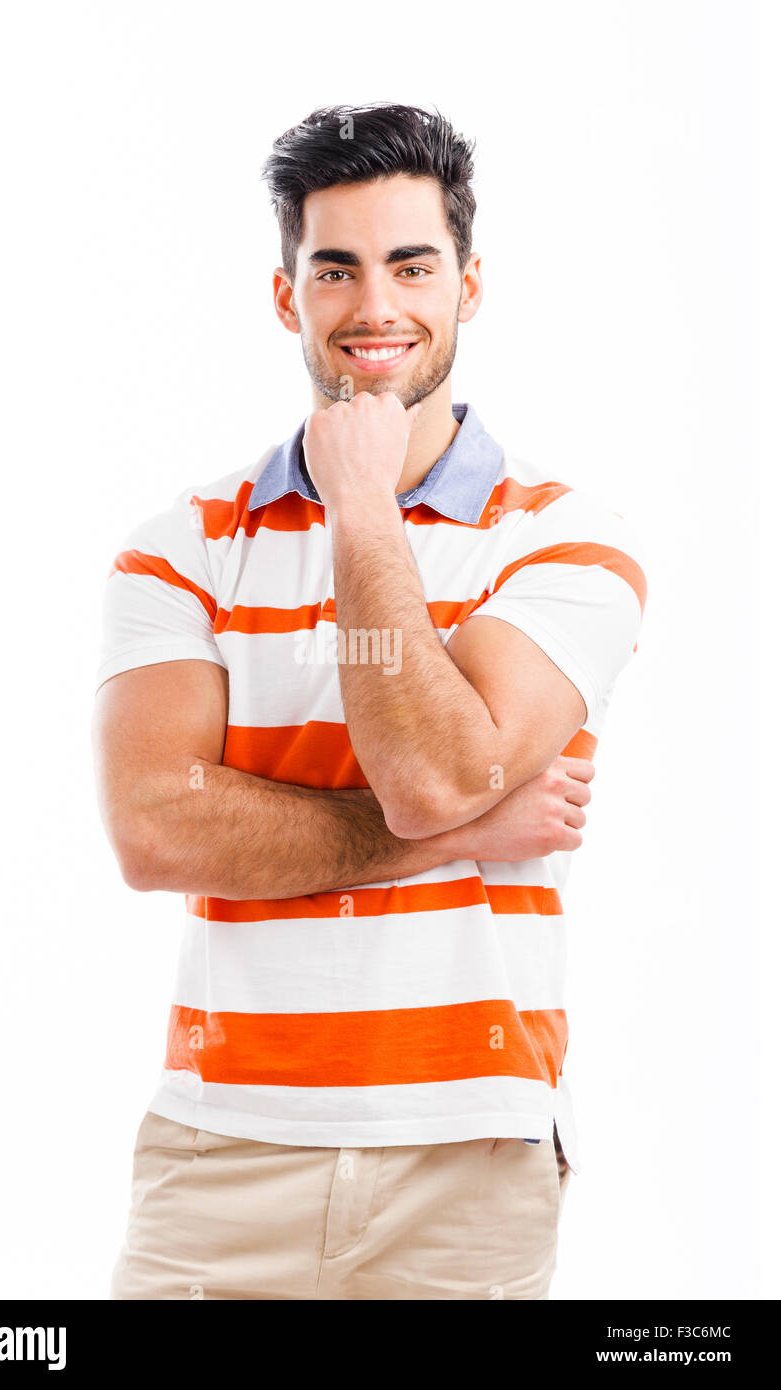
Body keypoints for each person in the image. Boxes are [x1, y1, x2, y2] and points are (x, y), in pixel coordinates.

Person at [93, 102, 648, 1300]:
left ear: (468, 284)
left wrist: (357, 507)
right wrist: (454, 843)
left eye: (411, 264)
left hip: (468, 1152)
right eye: (335, 268)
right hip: (218, 1148)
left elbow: (430, 775)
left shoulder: (559, 542)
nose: (375, 306)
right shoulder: (178, 549)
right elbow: (155, 830)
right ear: (288, 295)